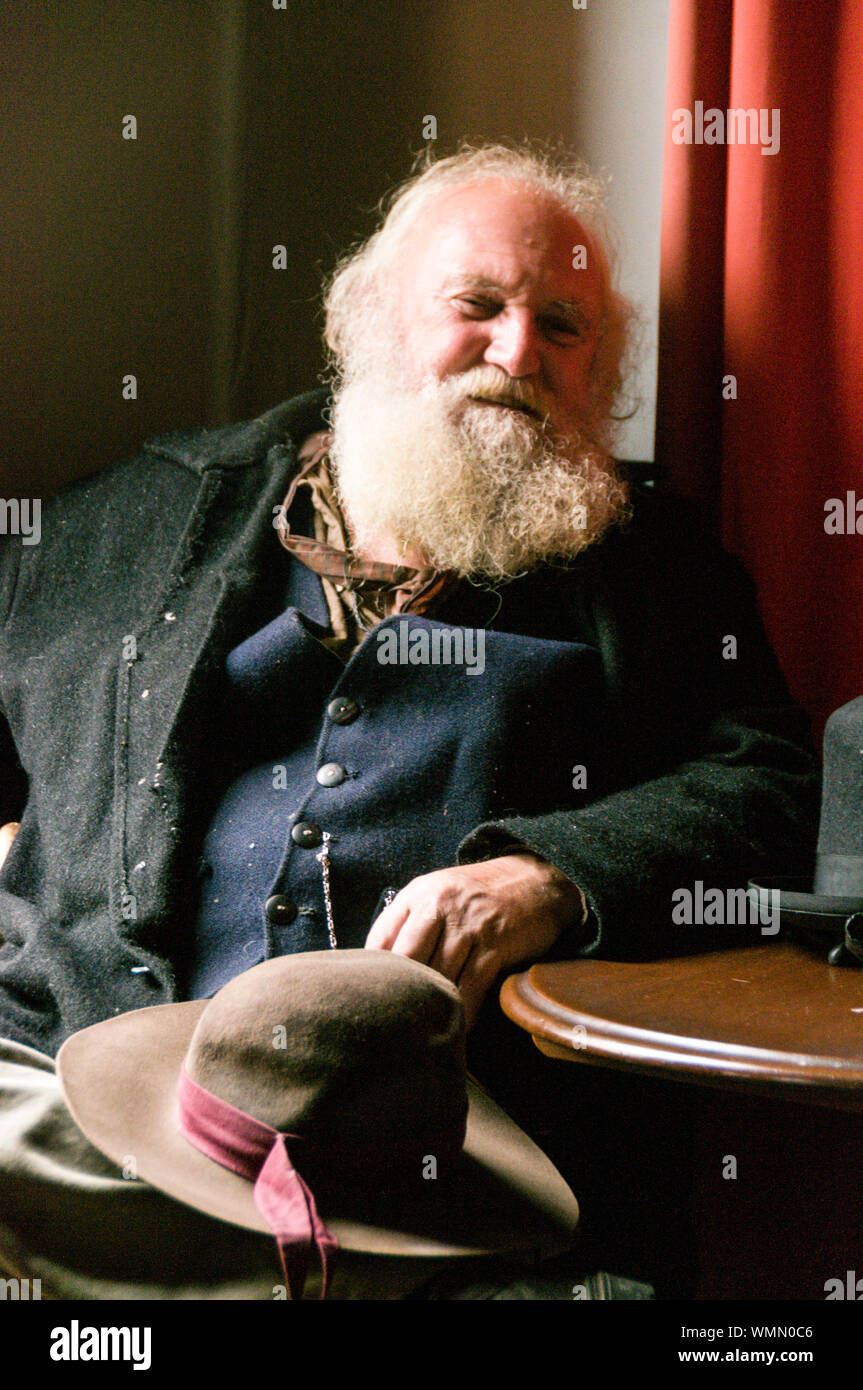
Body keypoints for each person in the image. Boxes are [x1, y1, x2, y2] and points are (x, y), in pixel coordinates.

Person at [0, 143, 818, 1297]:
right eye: (475, 305)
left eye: (564, 327)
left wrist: (551, 875)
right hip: (85, 1104)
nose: (517, 350)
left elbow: (782, 784)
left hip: (436, 1172)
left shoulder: (662, 573)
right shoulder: (144, 518)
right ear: (369, 326)